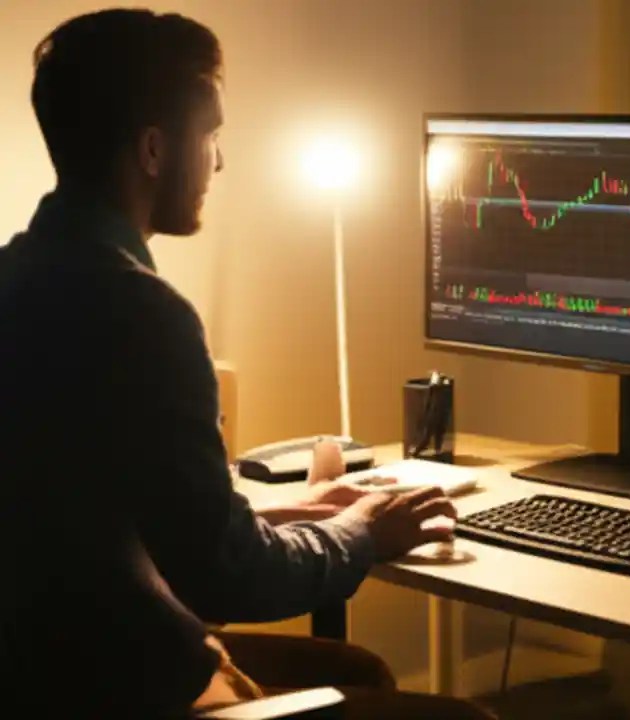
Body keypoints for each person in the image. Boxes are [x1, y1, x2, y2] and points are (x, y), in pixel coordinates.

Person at [0, 9, 491, 717]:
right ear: (152, 150)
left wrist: (297, 508)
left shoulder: (19, 279)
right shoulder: (143, 315)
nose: (220, 161)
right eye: (211, 135)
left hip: (45, 671)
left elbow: (104, 505)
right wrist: (361, 532)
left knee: (362, 672)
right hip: (121, 687)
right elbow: (224, 579)